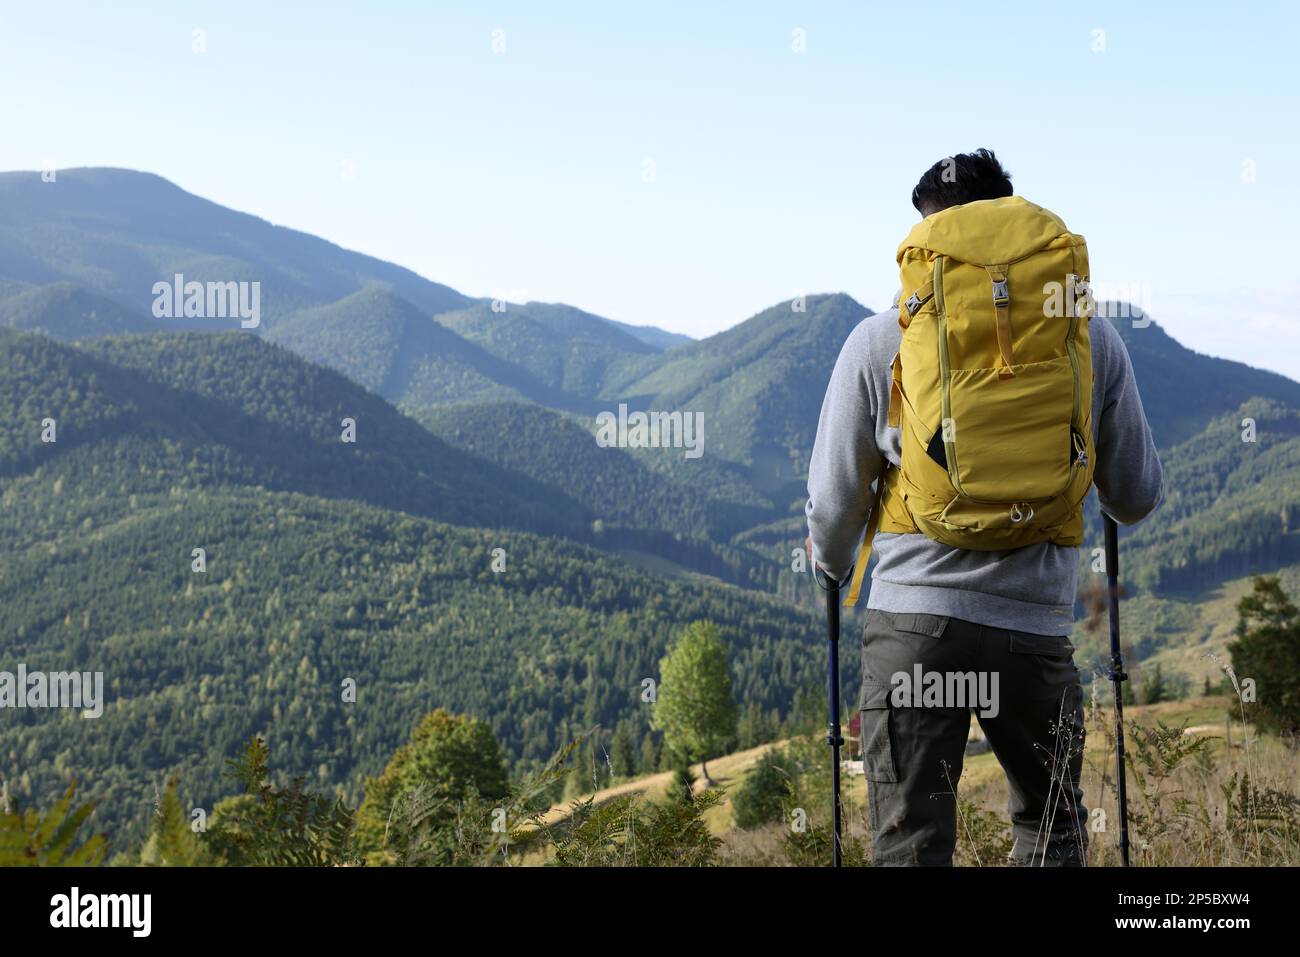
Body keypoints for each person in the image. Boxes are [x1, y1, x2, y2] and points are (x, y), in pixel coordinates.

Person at [805, 149, 1163, 866]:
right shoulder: (1086, 337)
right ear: (1011, 217)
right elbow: (1135, 496)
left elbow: (834, 504)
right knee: (1052, 827)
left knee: (911, 840)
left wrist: (834, 569)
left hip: (912, 629)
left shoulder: (880, 340)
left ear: (928, 236)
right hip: (1032, 632)